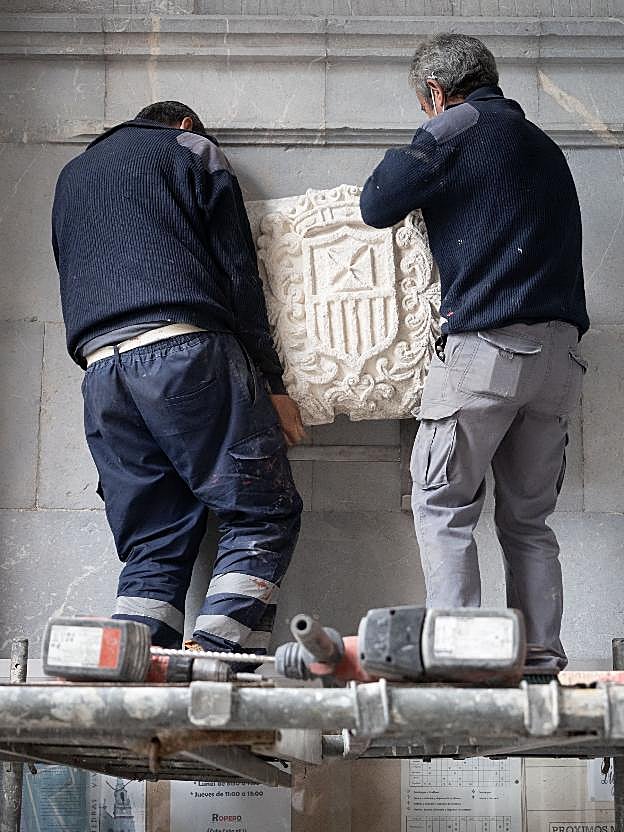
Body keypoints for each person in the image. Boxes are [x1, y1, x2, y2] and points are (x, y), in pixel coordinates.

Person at [360, 34, 589, 672]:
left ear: (435, 93)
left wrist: (434, 129)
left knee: (443, 502)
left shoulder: (456, 128)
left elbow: (377, 202)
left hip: (487, 352)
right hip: (559, 359)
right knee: (528, 520)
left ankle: (463, 658)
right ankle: (540, 656)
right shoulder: (541, 141)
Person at [52, 100, 305, 658]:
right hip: (182, 353)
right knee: (263, 512)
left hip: (101, 374)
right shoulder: (190, 149)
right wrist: (273, 382)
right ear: (187, 124)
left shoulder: (74, 172)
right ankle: (215, 655)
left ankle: (139, 670)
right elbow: (239, 271)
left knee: (154, 540)